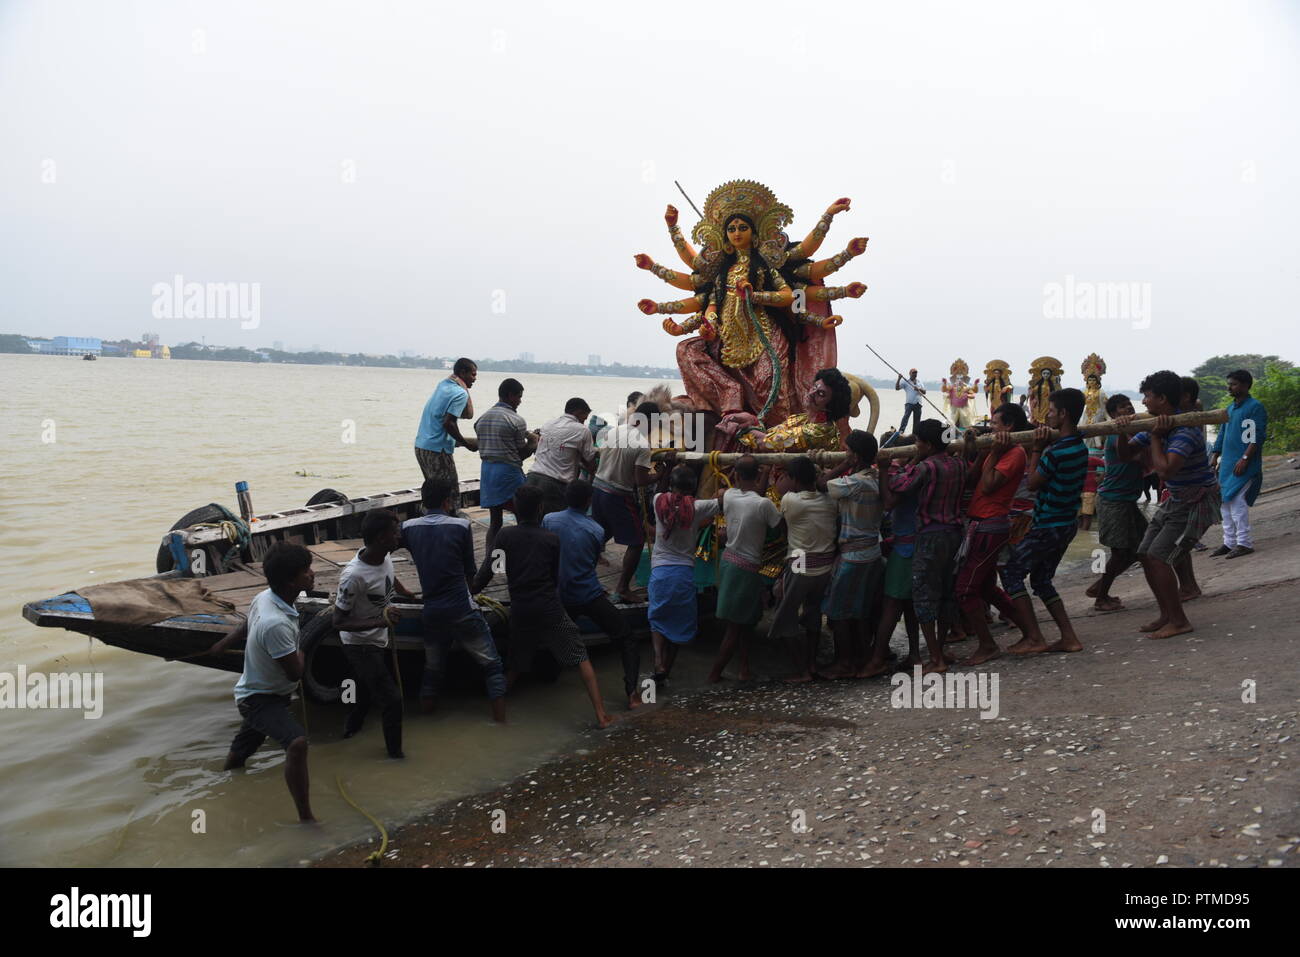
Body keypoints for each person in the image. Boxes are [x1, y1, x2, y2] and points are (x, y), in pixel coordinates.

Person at [479, 484, 613, 728]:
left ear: (515, 510)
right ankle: (602, 716)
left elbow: (488, 571)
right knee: (580, 656)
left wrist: (471, 591)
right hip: (549, 606)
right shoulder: (551, 539)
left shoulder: (505, 536)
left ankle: (496, 719)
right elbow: (554, 578)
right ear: (541, 509)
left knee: (515, 665)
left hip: (521, 607)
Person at [211, 542, 317, 822]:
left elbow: (246, 625)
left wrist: (221, 645)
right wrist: (304, 646)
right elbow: (295, 673)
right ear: (290, 581)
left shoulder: (264, 597)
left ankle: (225, 787)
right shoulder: (276, 624)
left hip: (260, 691)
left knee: (239, 756)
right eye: (306, 571)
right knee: (297, 743)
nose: (312, 574)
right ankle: (306, 819)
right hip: (260, 699)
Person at [1115, 370, 1220, 640]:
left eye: (1148, 397)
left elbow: (1165, 472)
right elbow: (1125, 455)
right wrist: (1122, 429)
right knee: (1144, 552)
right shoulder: (1157, 425)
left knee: (1159, 555)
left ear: (1162, 399)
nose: (1144, 402)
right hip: (1176, 499)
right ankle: (1166, 614)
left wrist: (1154, 437)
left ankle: (1179, 620)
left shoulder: (1185, 431)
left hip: (1194, 500)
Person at [402, 478, 506, 722]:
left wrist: (403, 591)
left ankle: (427, 720)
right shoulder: (461, 526)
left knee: (432, 670)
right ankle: (502, 722)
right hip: (461, 608)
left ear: (422, 501)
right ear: (448, 502)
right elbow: (470, 573)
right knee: (492, 666)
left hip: (432, 610)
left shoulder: (408, 528)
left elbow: (383, 551)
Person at [998, 388, 1089, 655]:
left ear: (1063, 414)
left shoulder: (1056, 451)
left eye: (1050, 411)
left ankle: (1034, 636)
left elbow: (1034, 483)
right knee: (1041, 581)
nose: (1046, 416)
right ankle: (1068, 637)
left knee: (1012, 573)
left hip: (1048, 524)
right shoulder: (1079, 446)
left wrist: (1036, 449)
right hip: (1066, 523)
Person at [543, 480, 642, 711]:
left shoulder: (549, 520)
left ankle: (548, 680)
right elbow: (588, 559)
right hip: (587, 594)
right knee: (626, 638)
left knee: (555, 639)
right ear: (589, 501)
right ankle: (632, 694)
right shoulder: (595, 530)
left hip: (560, 594)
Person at [332, 510, 416, 758]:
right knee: (392, 700)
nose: (399, 536)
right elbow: (338, 621)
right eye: (395, 532)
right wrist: (381, 620)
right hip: (360, 645)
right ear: (381, 538)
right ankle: (396, 757)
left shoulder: (384, 556)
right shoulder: (353, 576)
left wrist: (407, 594)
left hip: (378, 638)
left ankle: (349, 733)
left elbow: (389, 576)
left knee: (364, 693)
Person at [952, 403, 1029, 666]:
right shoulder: (996, 451)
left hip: (991, 524)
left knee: (964, 589)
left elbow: (987, 487)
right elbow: (971, 480)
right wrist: (977, 450)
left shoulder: (1015, 453)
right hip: (980, 523)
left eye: (995, 424)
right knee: (985, 587)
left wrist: (994, 453)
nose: (992, 427)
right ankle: (1031, 631)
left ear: (1008, 427)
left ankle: (988, 646)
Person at [887, 419, 967, 673]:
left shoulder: (927, 467)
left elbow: (899, 485)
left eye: (918, 441)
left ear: (928, 444)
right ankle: (939, 650)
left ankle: (936, 659)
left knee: (924, 597)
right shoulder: (959, 463)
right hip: (954, 534)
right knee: (945, 595)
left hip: (930, 535)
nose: (916, 445)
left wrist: (888, 468)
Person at [708, 455, 782, 683]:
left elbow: (752, 495)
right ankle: (714, 675)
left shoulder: (728, 495)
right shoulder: (764, 504)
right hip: (747, 569)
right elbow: (779, 529)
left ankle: (744, 668)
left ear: (736, 476)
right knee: (736, 627)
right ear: (759, 475)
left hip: (730, 562)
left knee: (745, 623)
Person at [817, 431, 884, 678]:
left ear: (855, 455)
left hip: (854, 555)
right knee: (859, 609)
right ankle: (862, 657)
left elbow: (822, 484)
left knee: (838, 611)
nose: (845, 455)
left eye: (848, 451)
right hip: (871, 551)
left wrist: (844, 464)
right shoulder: (876, 476)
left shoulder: (857, 482)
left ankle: (844, 662)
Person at [768, 455, 838, 681]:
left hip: (800, 563)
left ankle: (803, 670)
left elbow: (780, 494)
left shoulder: (790, 501)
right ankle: (812, 664)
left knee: (784, 616)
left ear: (793, 479)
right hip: (825, 565)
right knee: (813, 614)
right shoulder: (830, 501)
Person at [648, 464, 719, 684]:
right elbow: (725, 502)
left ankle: (658, 660)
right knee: (680, 625)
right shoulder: (697, 508)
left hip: (660, 571)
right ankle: (666, 670)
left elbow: (661, 489)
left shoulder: (658, 499)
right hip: (683, 574)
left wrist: (667, 467)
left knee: (657, 620)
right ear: (693, 487)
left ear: (671, 485)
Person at [592, 401, 662, 603]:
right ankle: (622, 588)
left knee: (601, 534)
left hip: (597, 487)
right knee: (637, 541)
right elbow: (641, 481)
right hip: (617, 494)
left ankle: (579, 577)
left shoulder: (614, 431)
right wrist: (659, 475)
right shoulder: (642, 444)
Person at [471, 378, 537, 590]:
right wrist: (534, 442)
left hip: (488, 472)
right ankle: (522, 563)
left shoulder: (481, 419)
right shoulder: (516, 420)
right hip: (508, 473)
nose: (519, 401)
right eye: (518, 397)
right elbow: (521, 453)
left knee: (495, 521)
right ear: (510, 395)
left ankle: (494, 564)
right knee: (524, 520)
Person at [860, 454, 921, 677]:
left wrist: (884, 471)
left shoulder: (904, 477)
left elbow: (888, 502)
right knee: (908, 604)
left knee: (892, 604)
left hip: (905, 547)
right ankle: (914, 654)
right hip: (908, 543)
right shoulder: (913, 471)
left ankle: (877, 659)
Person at [1086, 394, 1148, 611]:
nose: (1129, 408)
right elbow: (1131, 457)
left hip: (1126, 500)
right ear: (1113, 415)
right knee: (1121, 552)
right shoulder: (1115, 435)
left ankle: (1100, 586)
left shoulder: (1138, 431)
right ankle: (1101, 597)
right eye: (1122, 407)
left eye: (1129, 404)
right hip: (1113, 500)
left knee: (1142, 549)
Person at [1210, 369, 1267, 559]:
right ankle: (1229, 542)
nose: (1229, 387)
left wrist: (1245, 459)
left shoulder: (1254, 407)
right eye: (1229, 383)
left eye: (1233, 383)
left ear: (1244, 385)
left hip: (1244, 464)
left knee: (1237, 502)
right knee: (1224, 503)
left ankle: (1244, 543)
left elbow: (1256, 437)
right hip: (1227, 465)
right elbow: (1222, 435)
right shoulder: (1230, 408)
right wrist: (1214, 457)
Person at [414, 358, 478, 504]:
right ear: (463, 373)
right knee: (450, 494)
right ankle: (452, 521)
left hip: (421, 447)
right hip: (438, 451)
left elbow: (441, 420)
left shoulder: (442, 385)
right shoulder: (460, 393)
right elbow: (449, 424)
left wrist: (466, 442)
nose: (475, 378)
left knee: (433, 493)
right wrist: (467, 445)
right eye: (473, 375)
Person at [525, 398, 597, 517]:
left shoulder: (548, 424)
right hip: (554, 485)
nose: (584, 422)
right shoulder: (583, 430)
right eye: (584, 418)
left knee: (531, 521)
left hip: (532, 478)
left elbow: (556, 454)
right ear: (578, 412)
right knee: (554, 524)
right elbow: (591, 462)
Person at [886, 368, 925, 446]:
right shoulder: (906, 382)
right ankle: (901, 431)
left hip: (918, 403)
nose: (915, 374)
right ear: (910, 374)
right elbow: (897, 388)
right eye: (913, 373)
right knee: (906, 417)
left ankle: (915, 434)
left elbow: (924, 392)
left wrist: (919, 389)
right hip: (909, 403)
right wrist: (899, 378)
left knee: (917, 420)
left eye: (916, 373)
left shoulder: (919, 382)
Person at [1078, 449, 1104, 531]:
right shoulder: (1075, 461)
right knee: (1079, 516)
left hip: (1089, 490)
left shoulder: (1091, 459)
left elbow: (1108, 465)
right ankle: (1081, 536)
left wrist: (1100, 478)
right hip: (1077, 491)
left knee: (1087, 515)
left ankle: (1084, 535)